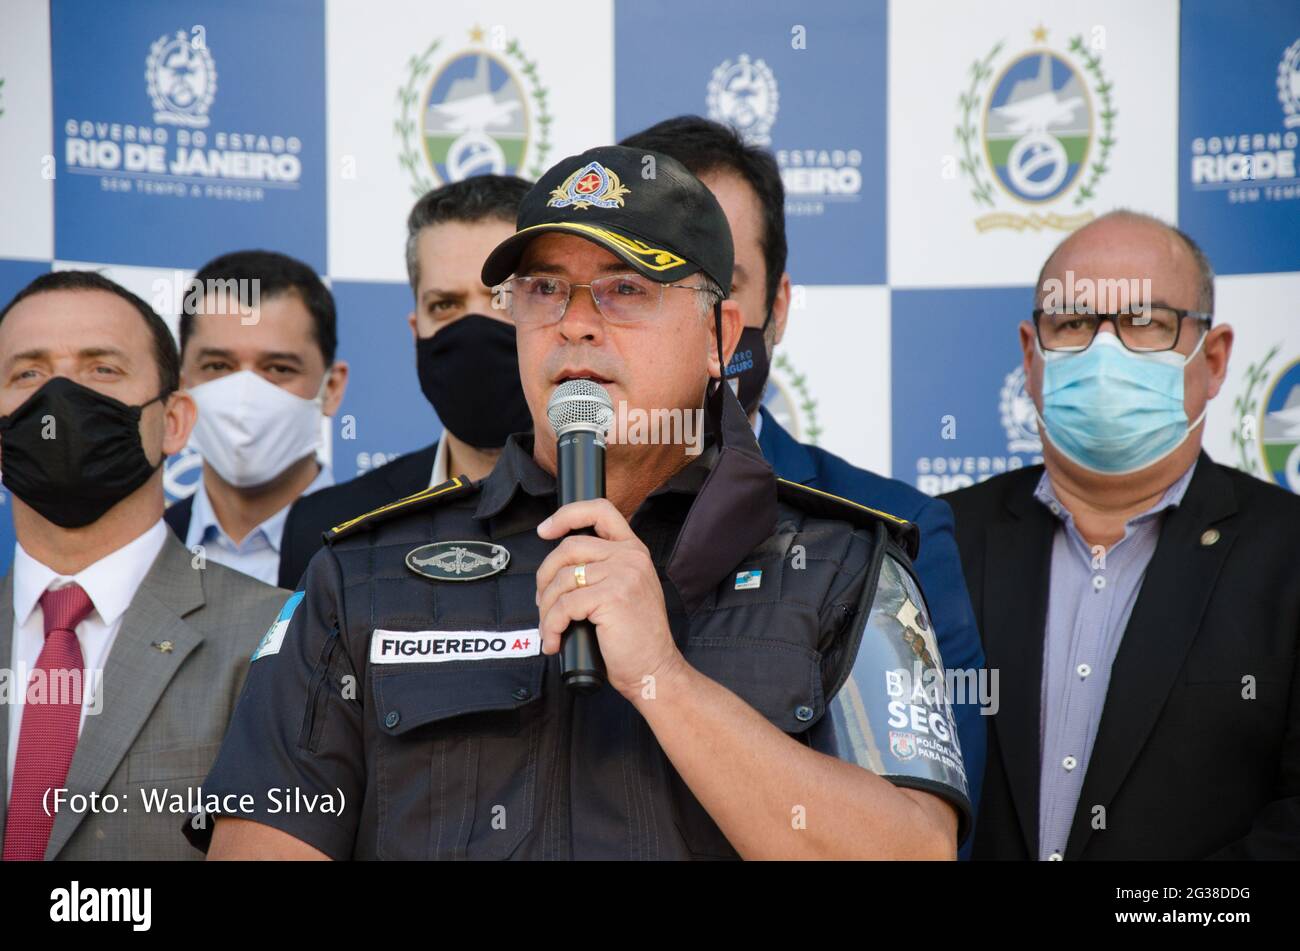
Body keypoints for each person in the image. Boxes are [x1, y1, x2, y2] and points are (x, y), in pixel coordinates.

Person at [186, 146, 971, 860]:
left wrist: (667, 677)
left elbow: (916, 851)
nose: (576, 325)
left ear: (719, 333)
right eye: (543, 290)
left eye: (626, 289)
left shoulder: (842, 564)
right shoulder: (362, 571)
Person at [621, 116, 987, 842]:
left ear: (776, 308)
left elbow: (928, 828)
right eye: (646, 284)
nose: (690, 323)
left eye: (716, 286)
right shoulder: (522, 523)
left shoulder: (891, 531)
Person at [942, 210, 1300, 860]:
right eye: (1074, 322)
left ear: (1213, 359)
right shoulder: (936, 542)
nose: (1104, 351)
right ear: (1032, 355)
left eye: (1143, 322)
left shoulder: (1289, 557)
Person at [0, 270, 286, 860]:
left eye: (102, 369)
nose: (58, 400)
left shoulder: (278, 637)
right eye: (27, 373)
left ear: (174, 421)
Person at [277, 176, 532, 587]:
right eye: (445, 305)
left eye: (503, 299)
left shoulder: (624, 506)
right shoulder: (328, 526)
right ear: (416, 330)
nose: (474, 329)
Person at [165, 250, 349, 587]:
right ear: (180, 386)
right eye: (217, 367)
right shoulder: (142, 552)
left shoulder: (384, 549)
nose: (244, 396)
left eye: (279, 368)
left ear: (332, 388)